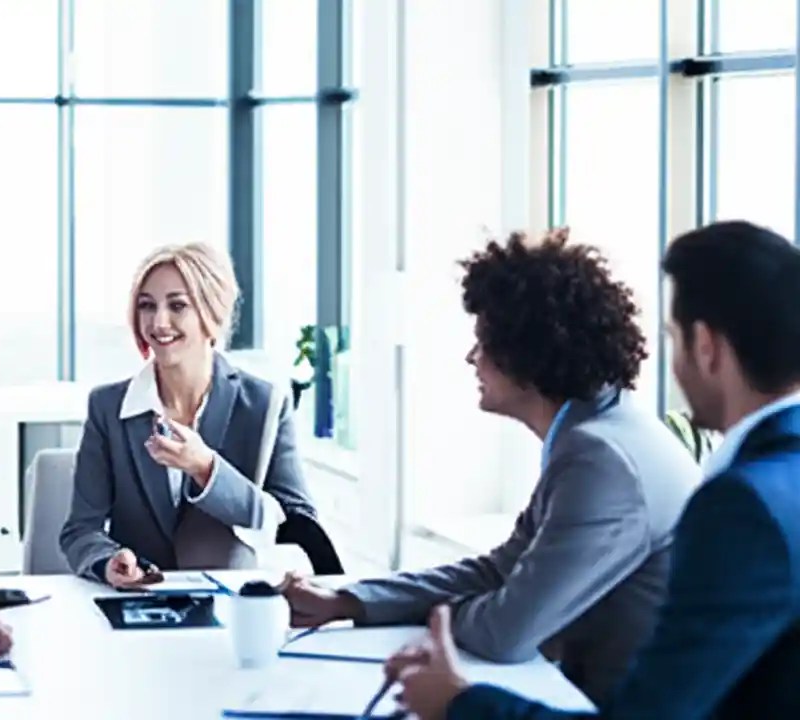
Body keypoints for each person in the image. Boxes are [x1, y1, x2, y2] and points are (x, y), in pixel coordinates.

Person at [391, 220, 800, 719]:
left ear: (707, 347)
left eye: (673, 339)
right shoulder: (777, 478)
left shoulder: (741, 504)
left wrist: (459, 702)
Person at [281, 229, 702, 704]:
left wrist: (451, 616)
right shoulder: (595, 434)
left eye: (482, 342)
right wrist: (349, 601)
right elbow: (498, 571)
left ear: (526, 352)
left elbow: (506, 632)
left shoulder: (602, 461)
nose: (471, 358)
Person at [60, 242, 317, 587]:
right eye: (147, 306)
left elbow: (298, 525)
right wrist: (108, 563)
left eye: (177, 305)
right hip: (138, 604)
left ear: (212, 315)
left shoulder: (265, 404)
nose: (159, 322)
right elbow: (80, 531)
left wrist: (206, 469)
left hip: (234, 604)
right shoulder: (108, 408)